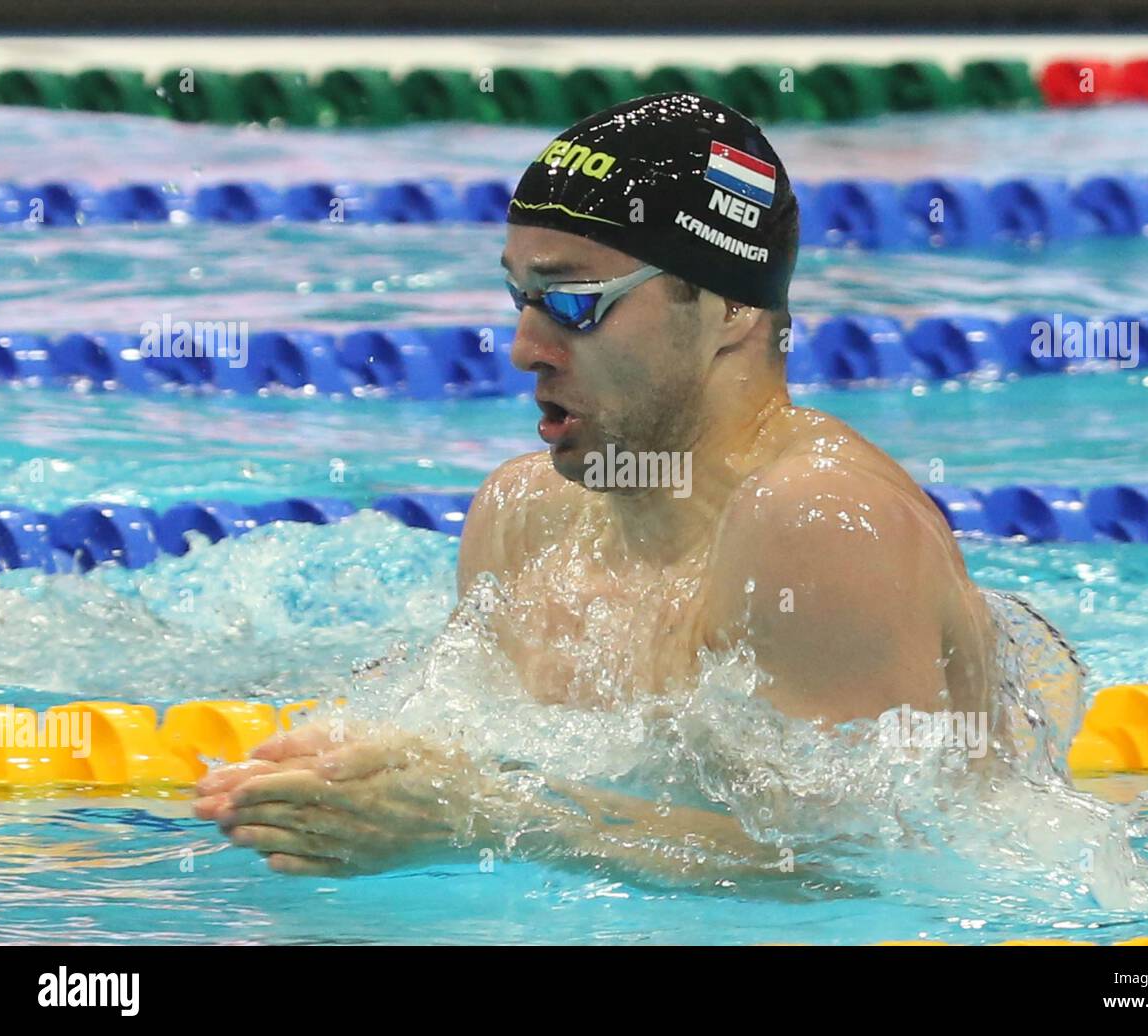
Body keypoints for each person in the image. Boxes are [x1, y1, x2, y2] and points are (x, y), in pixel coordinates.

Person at [194, 92, 997, 877]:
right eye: (521, 298)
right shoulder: (524, 515)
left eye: (576, 302)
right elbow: (509, 762)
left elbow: (866, 866)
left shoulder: (817, 521)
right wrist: (370, 778)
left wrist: (477, 817)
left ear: (728, 309)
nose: (524, 348)